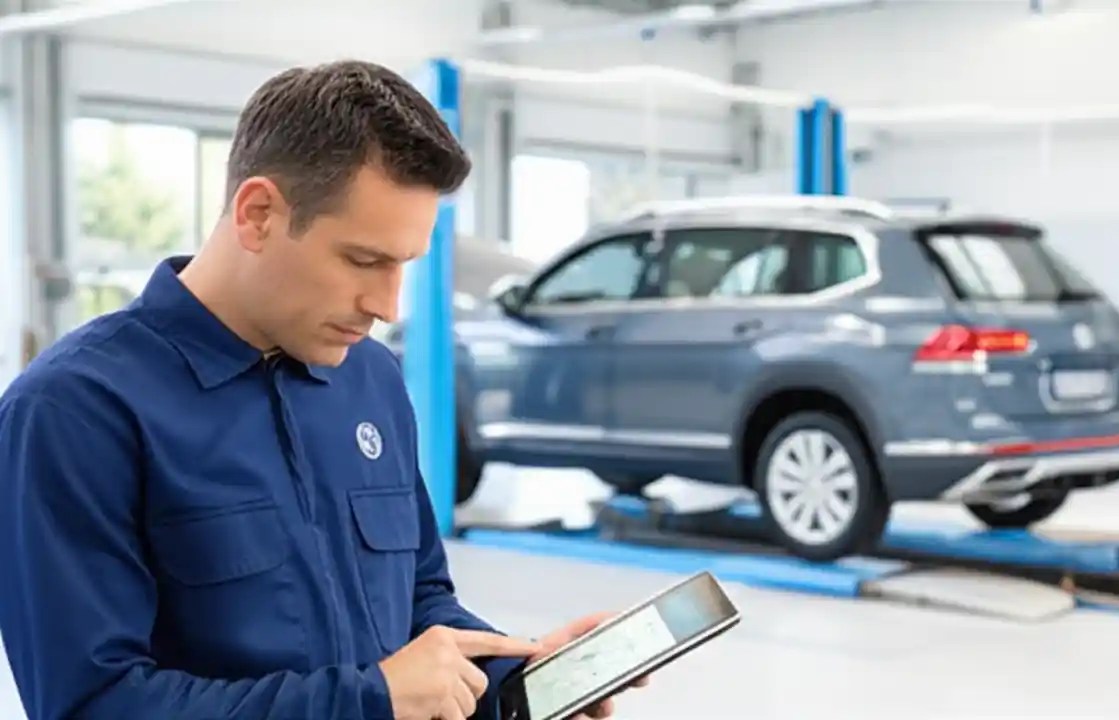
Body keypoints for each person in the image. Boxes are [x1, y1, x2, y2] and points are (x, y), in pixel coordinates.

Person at [0, 60, 644, 720]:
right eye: (364, 260)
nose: (388, 305)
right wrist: (371, 700)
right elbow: (92, 704)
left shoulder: (369, 378)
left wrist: (516, 674)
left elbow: (419, 602)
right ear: (257, 214)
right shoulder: (74, 412)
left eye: (404, 265)